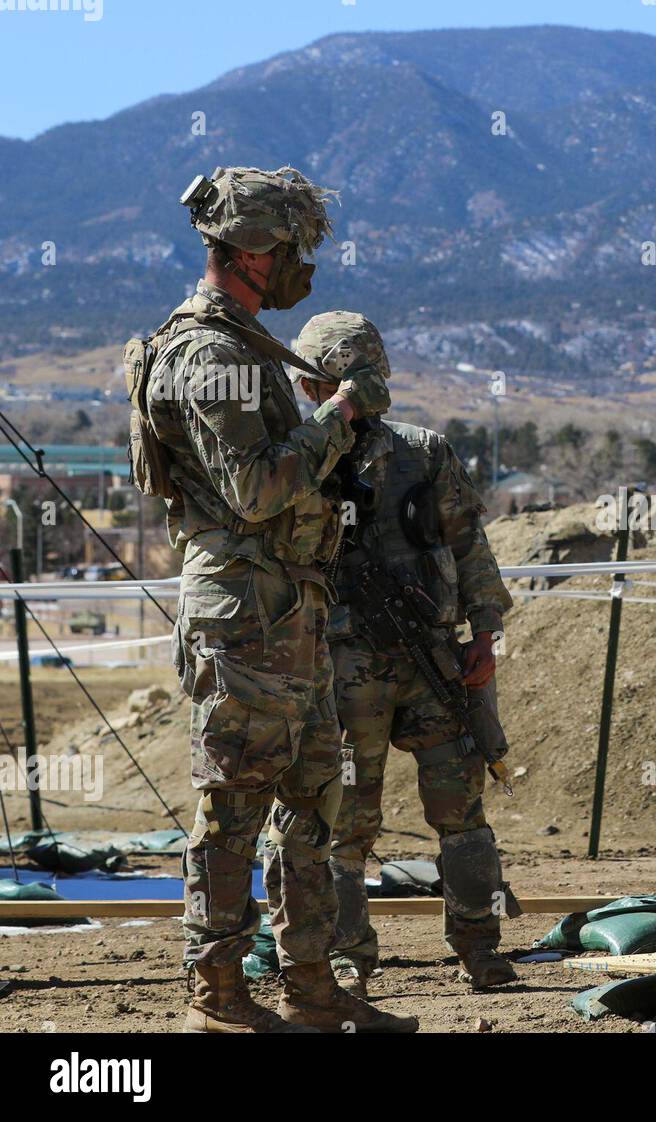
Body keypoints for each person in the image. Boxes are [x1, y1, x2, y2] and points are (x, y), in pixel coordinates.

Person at [141, 166, 415, 1031]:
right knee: (235, 802)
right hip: (244, 612)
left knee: (312, 799)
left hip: (288, 607)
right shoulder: (209, 355)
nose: (305, 267)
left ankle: (311, 987)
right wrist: (337, 412)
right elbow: (256, 491)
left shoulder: (251, 345)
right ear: (254, 250)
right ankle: (217, 996)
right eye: (295, 248)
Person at [293, 311, 519, 992]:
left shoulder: (423, 452)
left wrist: (483, 633)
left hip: (432, 661)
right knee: (346, 824)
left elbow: (467, 546)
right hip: (343, 665)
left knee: (461, 812)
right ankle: (347, 959)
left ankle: (479, 948)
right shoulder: (303, 461)